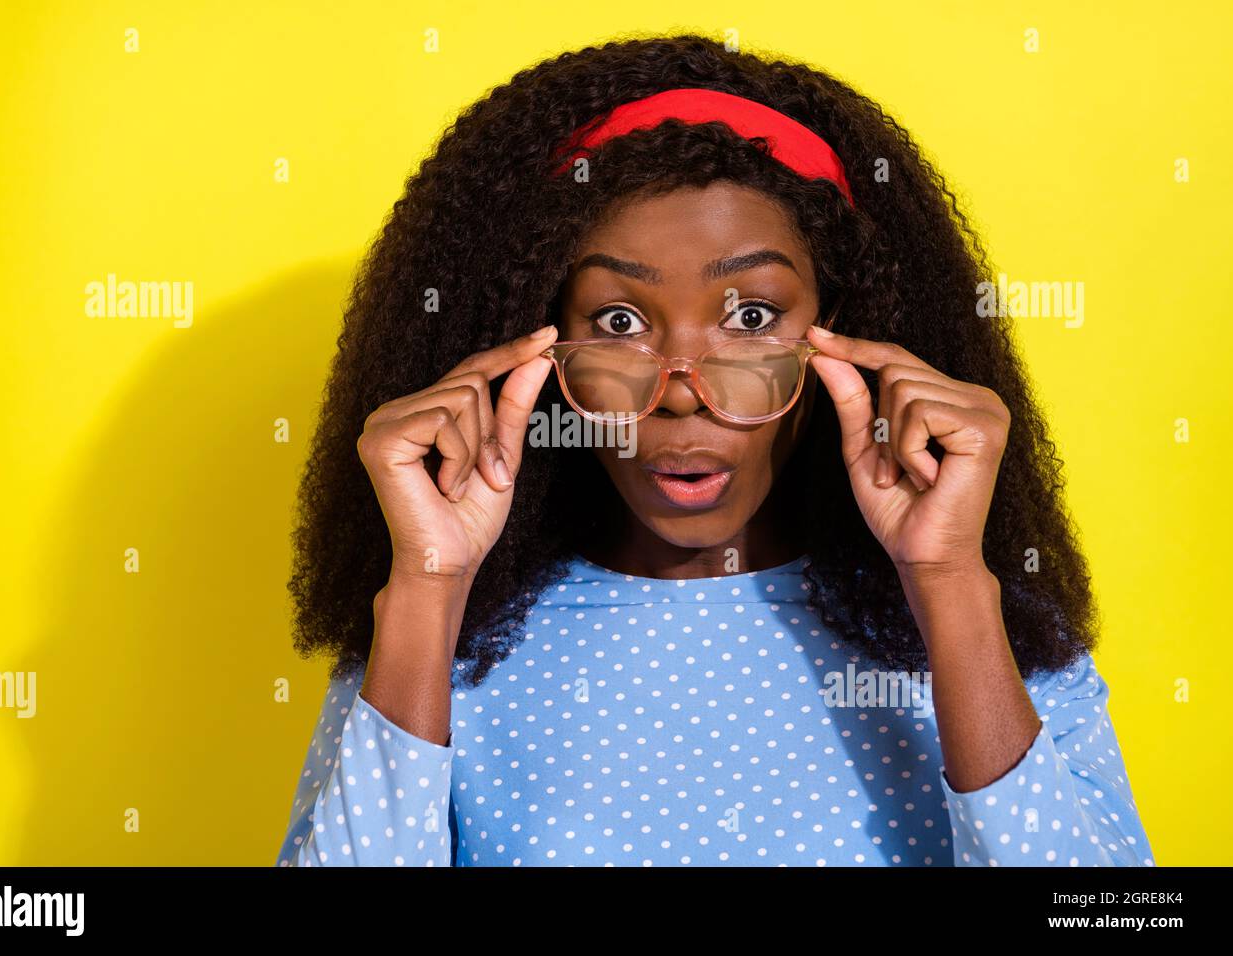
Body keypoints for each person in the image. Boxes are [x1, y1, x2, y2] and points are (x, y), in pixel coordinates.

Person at [276, 34, 1153, 866]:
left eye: (753, 317)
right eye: (619, 321)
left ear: (839, 333)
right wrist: (428, 587)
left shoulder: (995, 634)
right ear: (531, 348)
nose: (683, 387)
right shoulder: (439, 645)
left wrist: (950, 580)